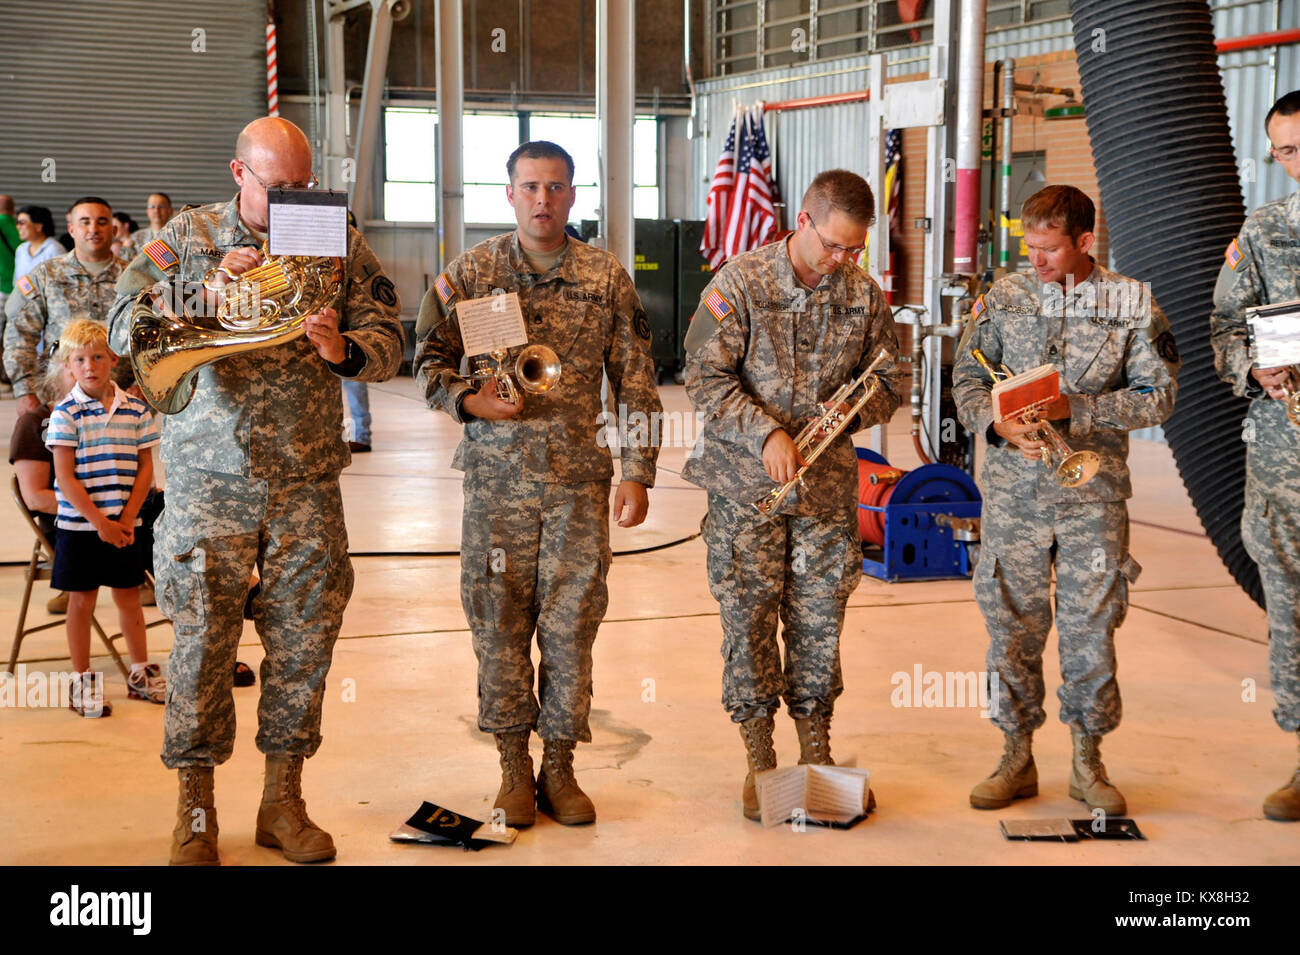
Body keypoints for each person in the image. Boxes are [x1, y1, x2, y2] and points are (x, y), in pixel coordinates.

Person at [108, 116, 403, 865]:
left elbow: (389, 338)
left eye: (306, 183)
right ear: (239, 175)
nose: (299, 198)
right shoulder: (189, 232)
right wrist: (198, 290)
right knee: (203, 644)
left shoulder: (331, 232)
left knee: (305, 638)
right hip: (210, 477)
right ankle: (196, 811)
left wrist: (345, 350)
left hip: (306, 478)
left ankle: (283, 800)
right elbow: (119, 325)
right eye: (282, 187)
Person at [415, 140, 662, 828]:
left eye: (555, 187)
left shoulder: (605, 277)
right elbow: (425, 356)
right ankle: (511, 769)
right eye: (530, 187)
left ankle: (560, 766)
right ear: (510, 193)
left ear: (573, 195)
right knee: (497, 623)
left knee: (572, 626)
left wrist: (638, 471)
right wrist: (470, 400)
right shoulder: (473, 273)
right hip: (496, 488)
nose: (543, 200)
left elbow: (637, 381)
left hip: (578, 487)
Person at [953, 184, 1180, 816]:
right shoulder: (1005, 296)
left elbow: (1158, 396)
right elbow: (968, 378)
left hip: (1094, 496)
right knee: (1010, 627)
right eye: (1030, 246)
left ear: (1084, 241)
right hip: (1013, 495)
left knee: (1092, 629)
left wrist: (1074, 409)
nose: (1037, 261)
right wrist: (996, 425)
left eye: (1050, 249)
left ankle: (1087, 759)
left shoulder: (1130, 302)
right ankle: (1015, 755)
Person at [681, 169, 901, 820]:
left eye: (854, 250)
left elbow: (890, 378)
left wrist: (854, 412)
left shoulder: (862, 294)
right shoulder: (740, 283)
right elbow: (701, 375)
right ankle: (760, 762)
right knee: (748, 620)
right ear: (802, 220)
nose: (841, 260)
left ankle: (816, 752)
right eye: (833, 245)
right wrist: (765, 432)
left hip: (826, 491)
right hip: (747, 489)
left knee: (819, 620)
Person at [1209, 89, 1300, 822]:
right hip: (1283, 461)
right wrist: (1252, 368)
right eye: (1285, 152)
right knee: (1294, 613)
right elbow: (1224, 327)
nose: (1296, 163)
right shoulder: (1266, 231)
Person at [44, 320, 163, 717]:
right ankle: (81, 679)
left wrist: (127, 518)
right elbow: (65, 477)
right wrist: (101, 523)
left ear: (113, 359)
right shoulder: (66, 414)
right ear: (69, 366)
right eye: (80, 359)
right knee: (82, 602)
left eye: (98, 356)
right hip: (82, 528)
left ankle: (139, 672)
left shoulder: (136, 410)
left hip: (126, 524)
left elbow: (146, 468)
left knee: (129, 598)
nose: (90, 365)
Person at [5, 197, 128, 418]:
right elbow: (20, 333)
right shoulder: (46, 275)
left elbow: (153, 339)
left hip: (122, 400)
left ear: (114, 229)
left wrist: (144, 391)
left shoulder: (134, 279)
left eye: (102, 222)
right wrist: (24, 390)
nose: (93, 229)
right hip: (60, 400)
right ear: (71, 229)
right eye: (84, 222)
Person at [14, 206, 65, 281]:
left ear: (38, 226)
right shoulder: (21, 249)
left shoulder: (54, 250)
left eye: (22, 223)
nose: (18, 227)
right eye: (17, 223)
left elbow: (62, 282)